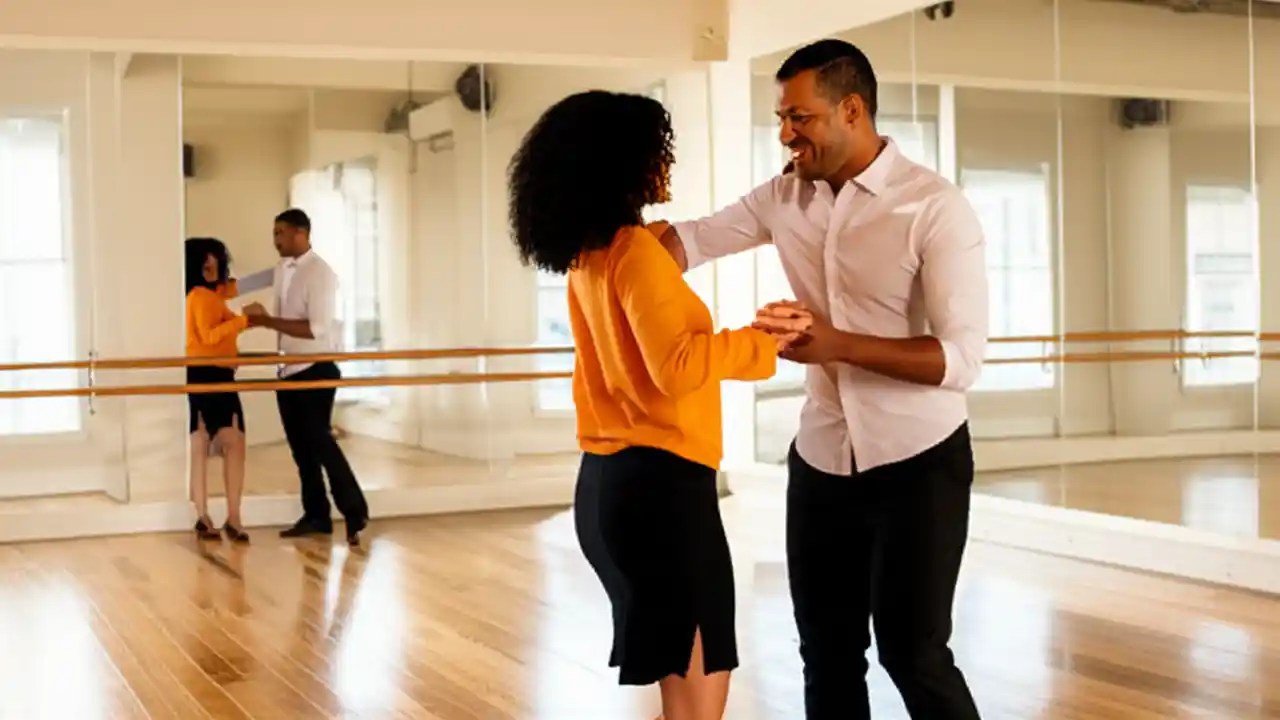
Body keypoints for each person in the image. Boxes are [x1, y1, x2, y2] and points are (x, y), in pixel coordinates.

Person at [652, 39, 988, 719]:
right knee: (826, 654)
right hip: (821, 461)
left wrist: (835, 344)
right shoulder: (783, 197)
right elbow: (685, 243)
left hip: (919, 462)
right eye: (781, 117)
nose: (785, 134)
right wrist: (604, 235)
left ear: (852, 110)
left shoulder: (933, 207)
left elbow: (960, 361)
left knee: (912, 652)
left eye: (799, 117)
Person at [507, 90, 809, 720]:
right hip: (662, 491)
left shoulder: (592, 256)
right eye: (657, 151)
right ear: (622, 161)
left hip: (610, 488)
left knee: (682, 674)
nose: (666, 164)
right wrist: (765, 341)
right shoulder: (633, 252)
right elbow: (676, 367)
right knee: (702, 679)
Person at [244, 208, 370, 547]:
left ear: (301, 233)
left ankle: (355, 510)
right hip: (287, 370)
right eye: (274, 233)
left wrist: (267, 322)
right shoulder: (280, 269)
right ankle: (316, 515)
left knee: (321, 442)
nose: (276, 240)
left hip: (316, 368)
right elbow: (245, 283)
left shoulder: (320, 273)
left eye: (280, 233)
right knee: (302, 450)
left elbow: (316, 329)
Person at [184, 237, 253, 543]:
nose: (211, 268)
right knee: (200, 444)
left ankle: (233, 516)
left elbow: (241, 285)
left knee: (235, 443)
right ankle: (202, 515)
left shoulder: (215, 293)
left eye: (215, 262)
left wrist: (284, 269)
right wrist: (244, 321)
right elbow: (209, 336)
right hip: (201, 373)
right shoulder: (198, 296)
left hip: (222, 374)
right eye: (205, 264)